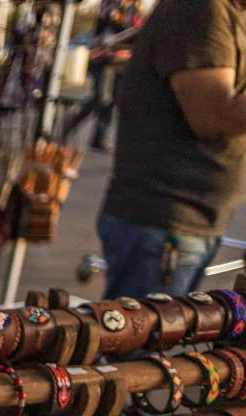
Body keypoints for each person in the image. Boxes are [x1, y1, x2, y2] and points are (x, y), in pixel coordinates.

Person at [97, 0, 246, 299]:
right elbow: (213, 116)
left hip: (185, 222)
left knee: (152, 337)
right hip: (166, 222)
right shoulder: (201, 9)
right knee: (140, 338)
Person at [62, 0, 141, 152]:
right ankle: (70, 122)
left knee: (110, 101)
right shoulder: (111, 4)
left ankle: (98, 138)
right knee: (99, 97)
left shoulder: (134, 8)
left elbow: (135, 28)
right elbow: (111, 18)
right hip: (103, 58)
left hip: (120, 61)